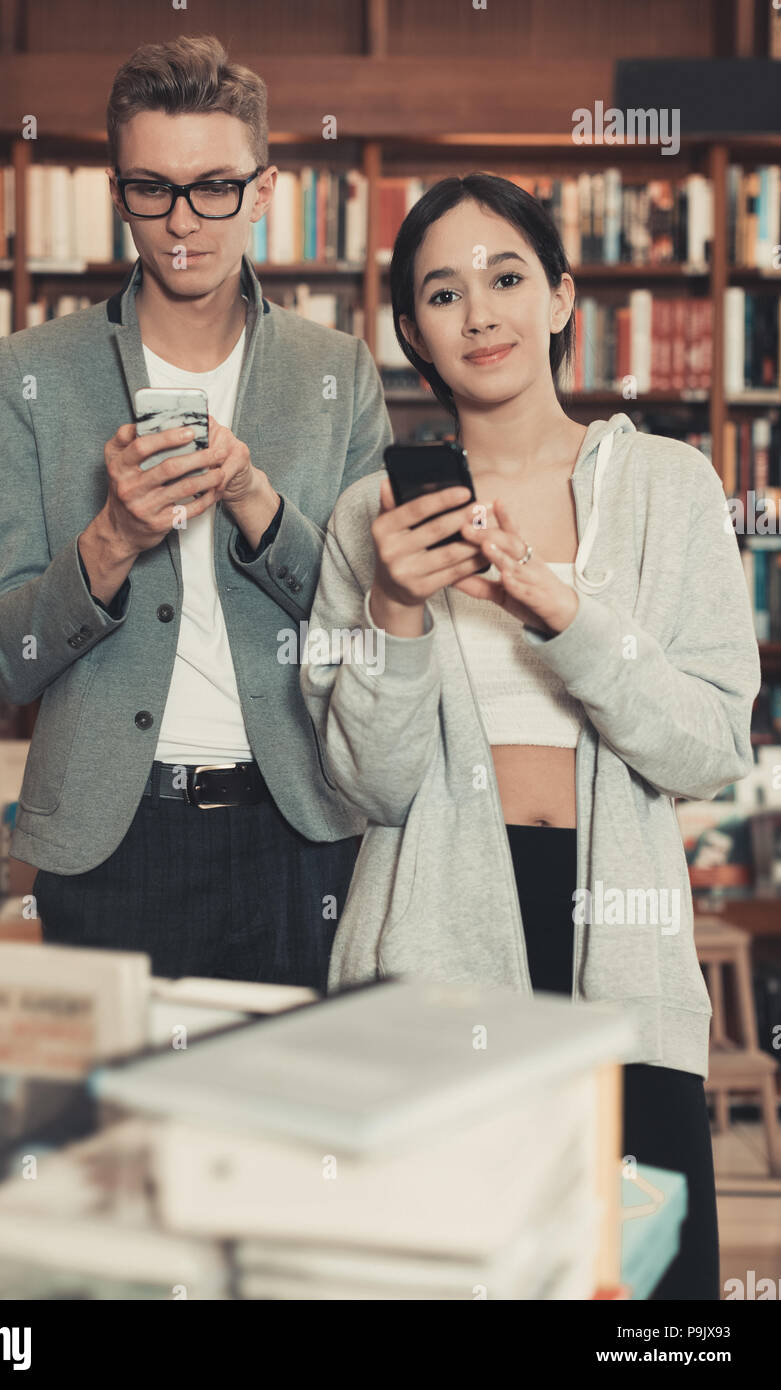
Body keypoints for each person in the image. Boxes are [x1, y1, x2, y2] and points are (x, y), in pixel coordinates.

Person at [300, 172, 762, 1298]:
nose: (481, 314)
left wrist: (564, 613)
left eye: (506, 278)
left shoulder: (668, 486)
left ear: (561, 298)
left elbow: (708, 747)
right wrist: (396, 613)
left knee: (640, 1296)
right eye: (443, 293)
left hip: (619, 950)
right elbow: (363, 785)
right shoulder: (370, 519)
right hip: (427, 946)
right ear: (410, 329)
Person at [0, 35, 392, 989]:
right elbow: (6, 661)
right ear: (115, 191)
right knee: (123, 1137)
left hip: (305, 833)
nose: (181, 222)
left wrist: (253, 503)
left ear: (263, 189)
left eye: (213, 187)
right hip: (111, 843)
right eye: (151, 188)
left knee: (296, 1128)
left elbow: (373, 626)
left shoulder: (337, 372)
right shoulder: (33, 371)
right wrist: (111, 541)